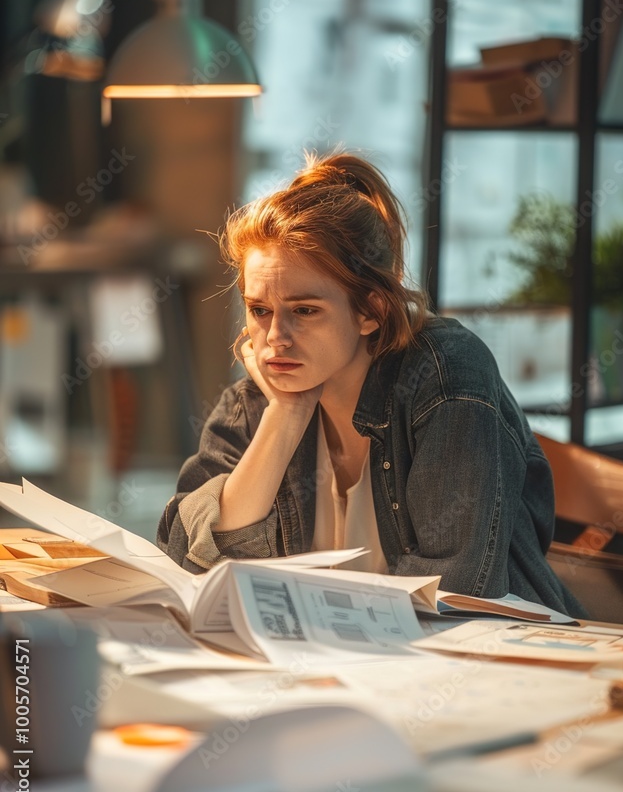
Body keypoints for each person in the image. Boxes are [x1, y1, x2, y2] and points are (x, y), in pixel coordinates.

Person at [157, 150, 585, 617]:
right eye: (260, 310)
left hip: (488, 664)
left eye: (304, 310)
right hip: (338, 666)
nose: (274, 339)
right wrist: (286, 415)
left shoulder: (446, 378)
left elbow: (458, 594)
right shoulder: (258, 401)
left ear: (371, 311)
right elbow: (187, 564)